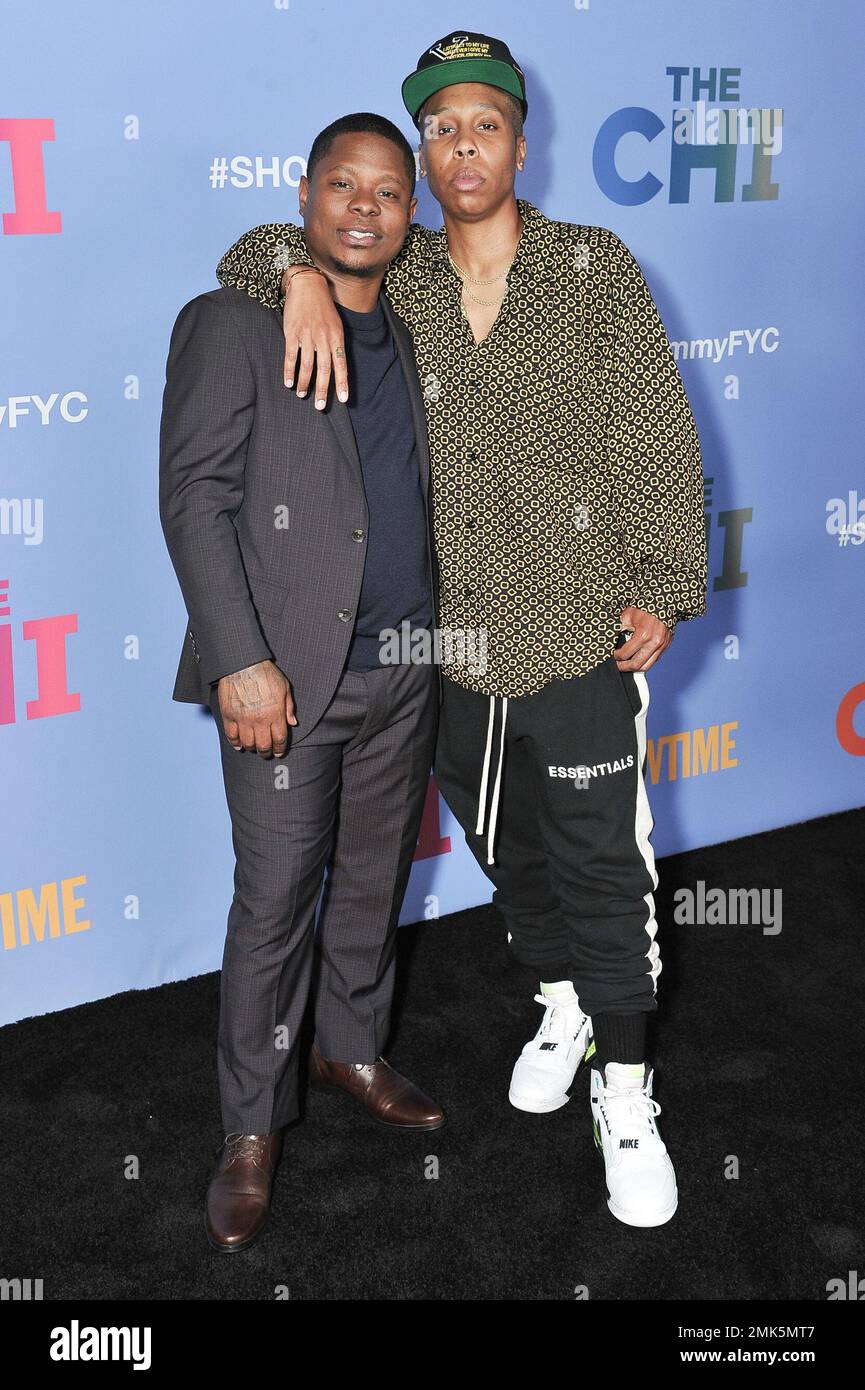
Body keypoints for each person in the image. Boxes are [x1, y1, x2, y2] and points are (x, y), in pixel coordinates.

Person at [215, 32, 708, 1228]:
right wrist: (291, 269)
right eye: (441, 130)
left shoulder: (593, 266)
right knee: (504, 852)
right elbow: (243, 250)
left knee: (601, 866)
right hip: (445, 652)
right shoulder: (399, 276)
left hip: (581, 632)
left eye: (483, 123)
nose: (461, 146)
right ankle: (560, 996)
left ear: (521, 142)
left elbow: (653, 430)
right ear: (425, 155)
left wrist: (662, 579)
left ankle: (628, 1093)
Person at [159, 113, 445, 1255]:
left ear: (408, 212)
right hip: (286, 681)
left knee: (372, 882)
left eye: (387, 191)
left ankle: (352, 1047)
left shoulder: (413, 328)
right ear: (304, 195)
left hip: (405, 670)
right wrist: (238, 658)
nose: (365, 208)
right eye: (343, 186)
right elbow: (194, 501)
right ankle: (248, 1127)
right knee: (275, 904)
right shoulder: (235, 321)